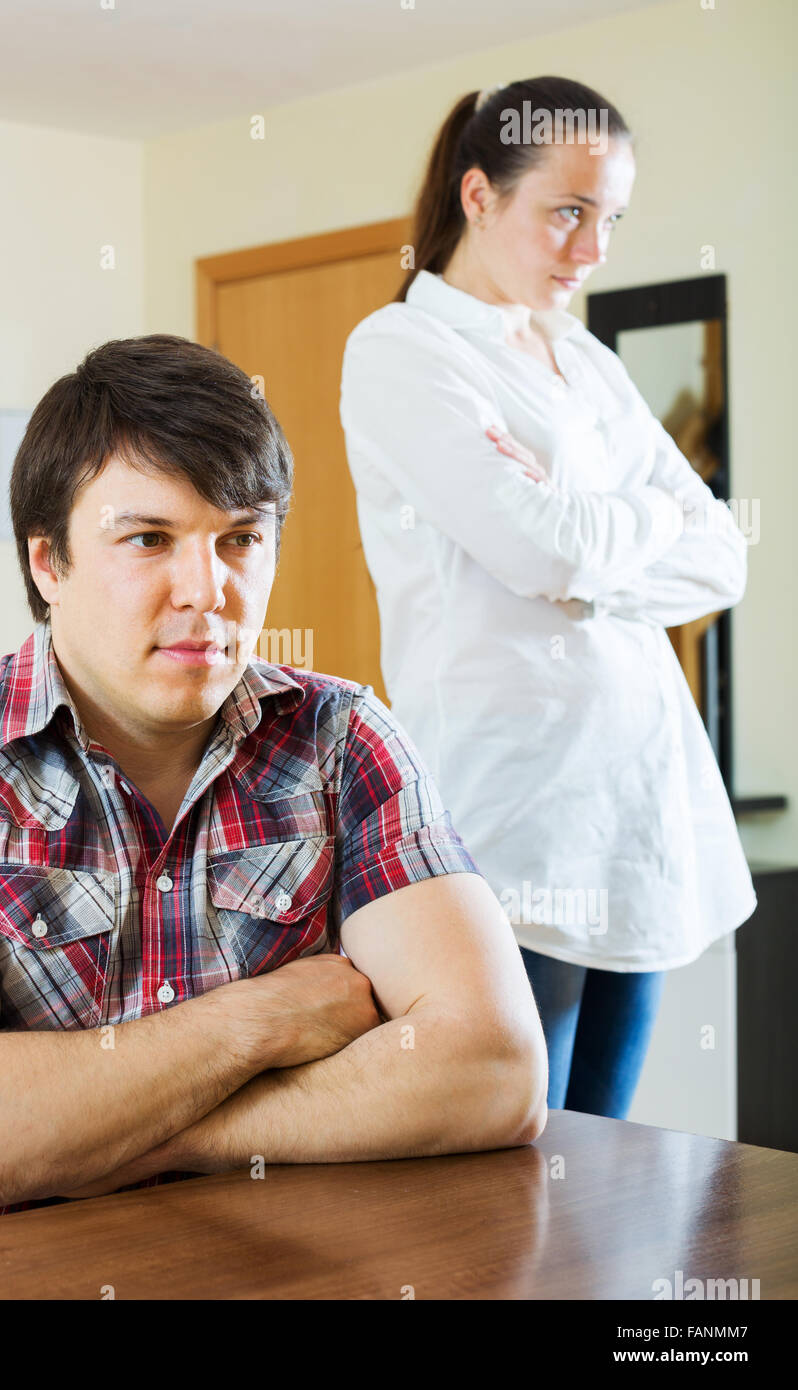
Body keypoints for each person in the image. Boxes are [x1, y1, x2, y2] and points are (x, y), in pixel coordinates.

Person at [0, 334, 547, 1248]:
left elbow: (494, 1069)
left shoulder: (342, 737)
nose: (209, 589)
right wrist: (258, 1024)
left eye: (242, 539)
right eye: (148, 540)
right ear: (49, 562)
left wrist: (126, 1137)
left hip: (259, 1270)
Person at [339, 76, 756, 1122]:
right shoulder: (403, 352)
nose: (593, 247)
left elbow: (720, 553)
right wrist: (620, 527)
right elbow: (544, 551)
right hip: (519, 807)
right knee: (520, 1156)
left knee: (604, 1154)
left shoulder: (584, 361)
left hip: (639, 802)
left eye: (609, 217)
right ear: (478, 196)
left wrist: (593, 539)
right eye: (565, 211)